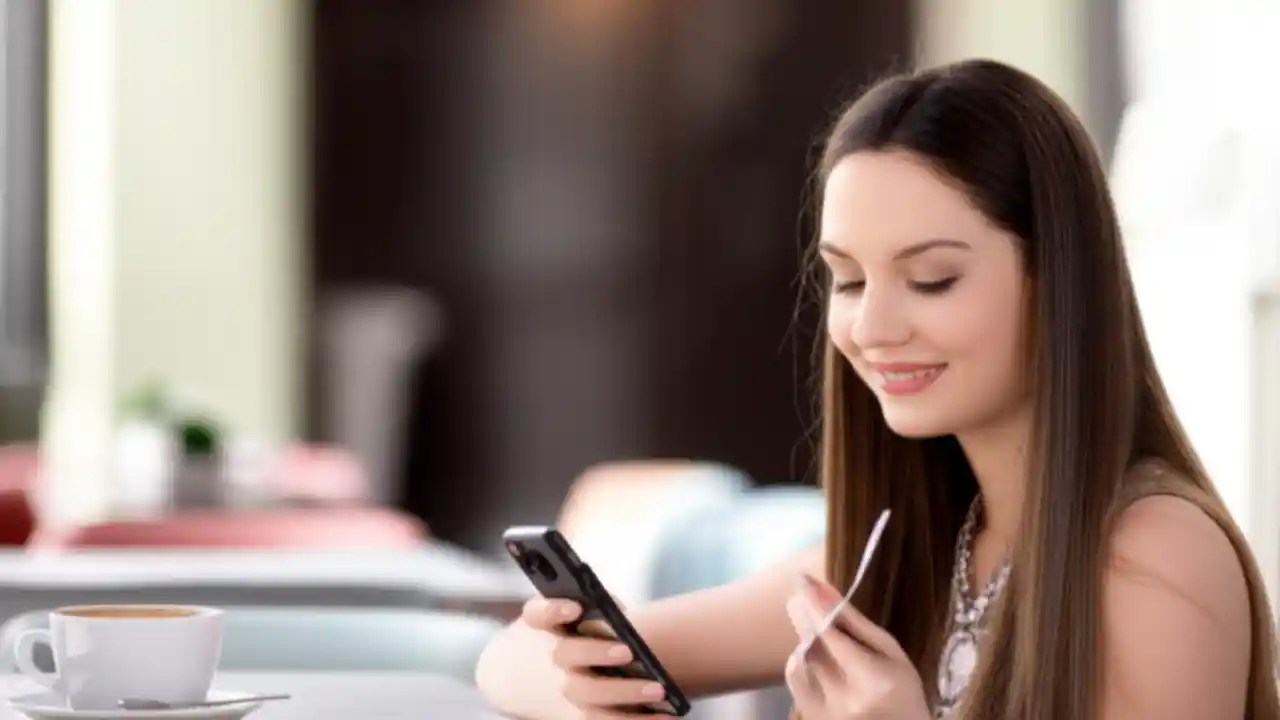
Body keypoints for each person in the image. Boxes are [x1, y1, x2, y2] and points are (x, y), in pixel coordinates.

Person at [474, 59, 1280, 720]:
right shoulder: (907, 546)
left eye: (932, 280)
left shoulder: (1156, 556)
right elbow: (507, 661)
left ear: (1060, 282)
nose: (873, 327)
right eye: (850, 280)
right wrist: (589, 690)